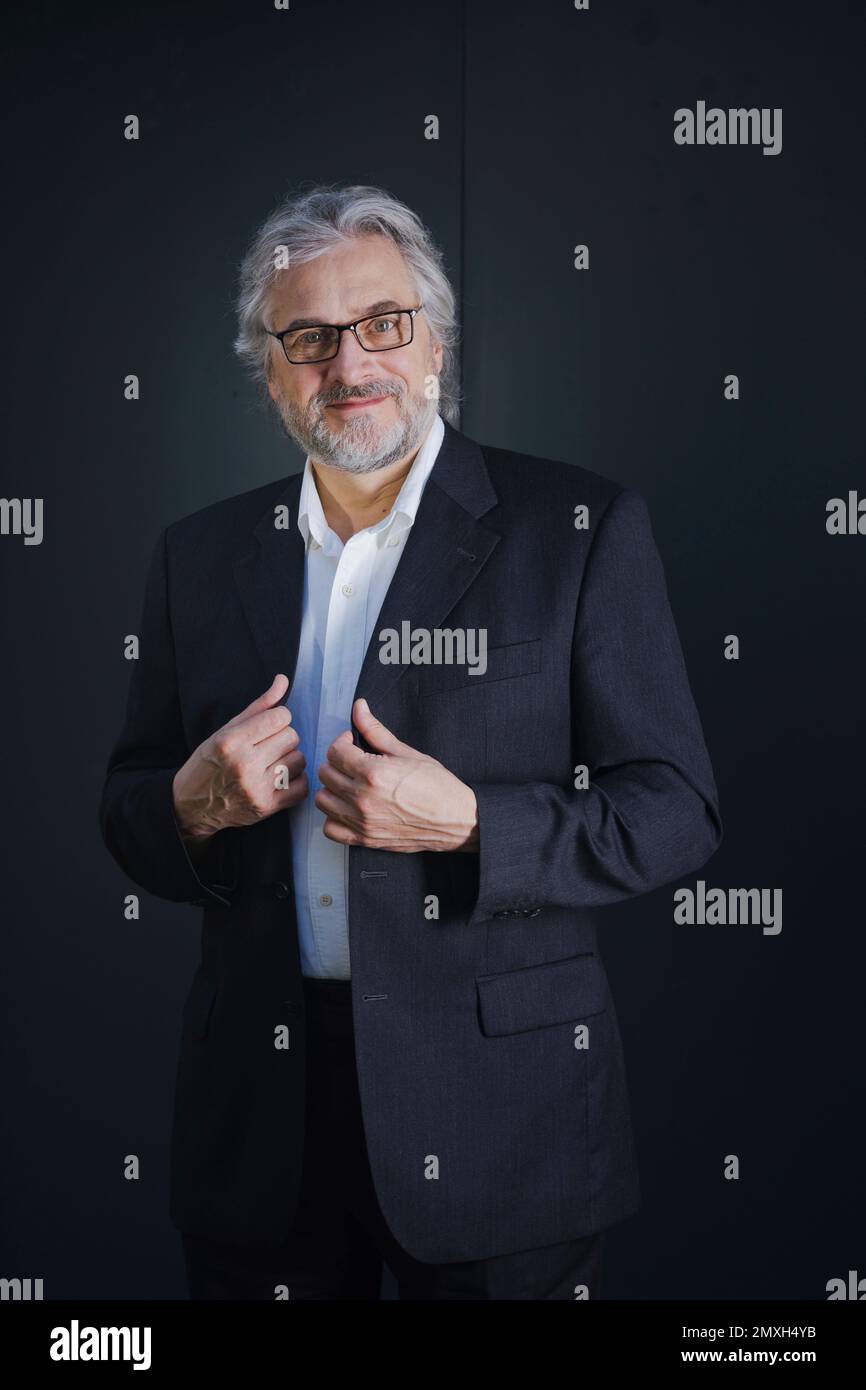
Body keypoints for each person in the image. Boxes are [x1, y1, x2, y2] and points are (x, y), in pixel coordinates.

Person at [99, 182, 723, 1300]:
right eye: (309, 337)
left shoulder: (574, 531)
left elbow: (675, 809)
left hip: (501, 1122)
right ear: (269, 365)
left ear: (433, 340)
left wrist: (476, 822)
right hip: (257, 1128)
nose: (351, 365)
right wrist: (195, 804)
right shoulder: (193, 557)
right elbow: (128, 808)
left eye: (383, 323)